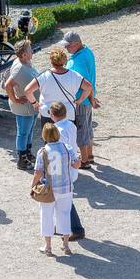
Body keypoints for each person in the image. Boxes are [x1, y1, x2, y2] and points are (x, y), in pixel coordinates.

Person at [25, 48, 93, 143]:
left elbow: (28, 90)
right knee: (68, 142)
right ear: (64, 61)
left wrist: (34, 103)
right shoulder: (74, 75)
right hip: (67, 112)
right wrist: (79, 100)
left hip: (48, 112)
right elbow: (89, 87)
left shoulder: (44, 76)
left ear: (51, 61)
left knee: (49, 143)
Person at [31, 121, 77, 257]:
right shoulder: (67, 147)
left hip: (49, 189)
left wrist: (32, 185)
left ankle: (48, 246)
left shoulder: (43, 151)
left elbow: (38, 172)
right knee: (64, 215)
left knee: (46, 216)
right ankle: (65, 245)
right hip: (66, 188)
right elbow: (75, 165)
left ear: (44, 136)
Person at [62, 31, 101, 167]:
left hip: (80, 100)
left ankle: (84, 161)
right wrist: (92, 98)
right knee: (88, 128)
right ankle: (89, 155)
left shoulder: (77, 61)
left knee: (82, 130)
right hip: (87, 99)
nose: (66, 49)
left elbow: (85, 84)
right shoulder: (86, 51)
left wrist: (85, 99)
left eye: (68, 46)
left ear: (77, 44)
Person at [48, 103, 86, 241]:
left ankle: (76, 229)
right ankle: (61, 226)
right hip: (71, 166)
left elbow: (61, 152)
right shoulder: (71, 125)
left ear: (53, 115)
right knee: (62, 198)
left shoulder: (58, 130)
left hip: (64, 169)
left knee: (63, 199)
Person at [4, 40, 40, 170]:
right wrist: (15, 100)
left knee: (29, 131)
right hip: (24, 107)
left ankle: (28, 153)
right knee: (23, 132)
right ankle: (21, 159)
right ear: (24, 55)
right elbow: (7, 85)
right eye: (30, 49)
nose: (32, 51)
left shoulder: (25, 62)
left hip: (32, 106)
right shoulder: (20, 68)